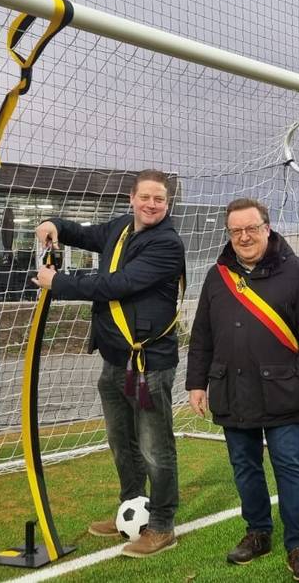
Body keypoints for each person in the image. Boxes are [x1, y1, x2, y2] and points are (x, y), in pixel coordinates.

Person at [33, 169, 185, 558]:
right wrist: (56, 225)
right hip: (115, 360)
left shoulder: (166, 244)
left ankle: (162, 525)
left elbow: (117, 285)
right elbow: (86, 235)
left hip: (149, 363)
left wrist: (59, 283)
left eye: (160, 199)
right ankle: (130, 510)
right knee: (122, 442)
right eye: (146, 197)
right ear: (132, 199)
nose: (152, 205)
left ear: (167, 204)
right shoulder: (120, 228)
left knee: (155, 447)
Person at [186, 198, 299, 582]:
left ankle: (298, 544)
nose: (244, 237)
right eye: (236, 231)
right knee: (245, 468)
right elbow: (202, 335)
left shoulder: (297, 271)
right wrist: (196, 383)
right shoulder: (217, 275)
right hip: (231, 389)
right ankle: (258, 532)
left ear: (267, 227)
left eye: (251, 228)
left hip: (282, 390)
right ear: (229, 234)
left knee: (288, 467)